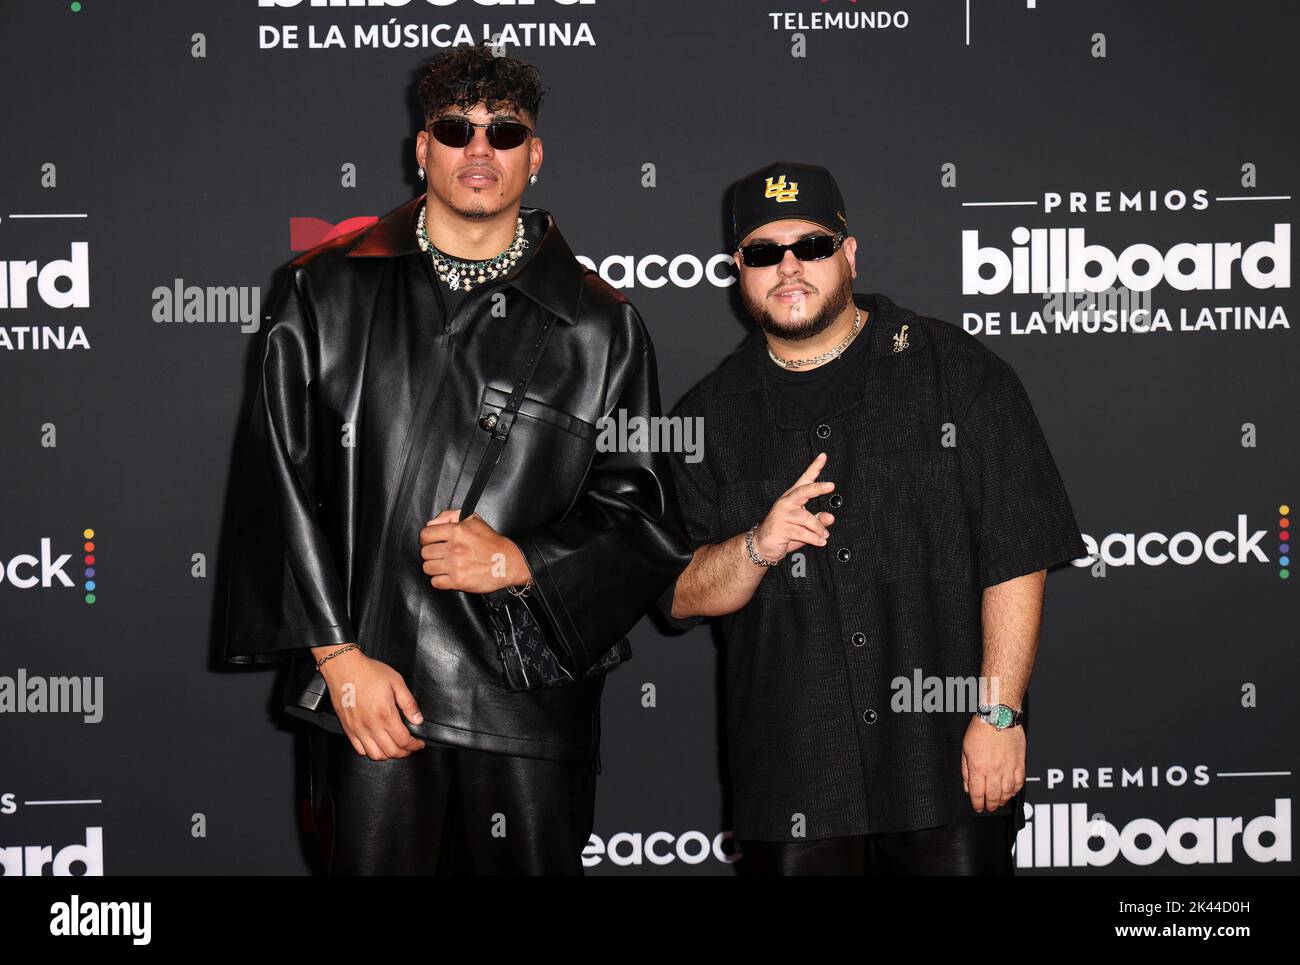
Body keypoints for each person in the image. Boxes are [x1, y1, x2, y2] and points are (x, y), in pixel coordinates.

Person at [223, 43, 690, 875]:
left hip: (527, 707)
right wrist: (337, 659)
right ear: (422, 146)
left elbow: (644, 512)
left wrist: (522, 560)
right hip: (372, 694)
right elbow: (277, 482)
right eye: (456, 128)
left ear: (535, 155)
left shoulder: (601, 323)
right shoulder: (324, 289)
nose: (481, 150)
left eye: (505, 132)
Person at [659, 161, 1088, 875]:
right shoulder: (708, 415)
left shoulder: (958, 372)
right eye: (764, 253)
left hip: (945, 765)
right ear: (739, 269)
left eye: (813, 246)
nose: (789, 268)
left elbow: (1018, 552)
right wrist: (757, 546)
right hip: (794, 779)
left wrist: (1001, 715)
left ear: (849, 253)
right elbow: (677, 593)